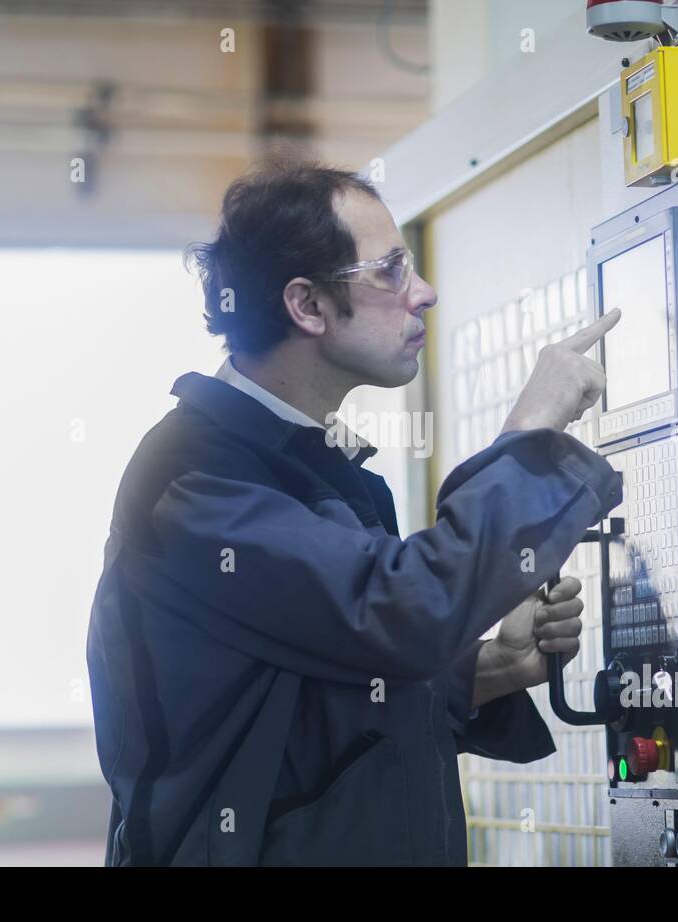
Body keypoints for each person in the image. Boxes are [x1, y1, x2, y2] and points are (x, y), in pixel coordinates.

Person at [86, 156, 622, 866]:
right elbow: (404, 610)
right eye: (391, 271)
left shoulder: (331, 475)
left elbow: (330, 707)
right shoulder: (196, 479)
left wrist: (492, 667)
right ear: (306, 306)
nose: (424, 293)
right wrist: (528, 437)